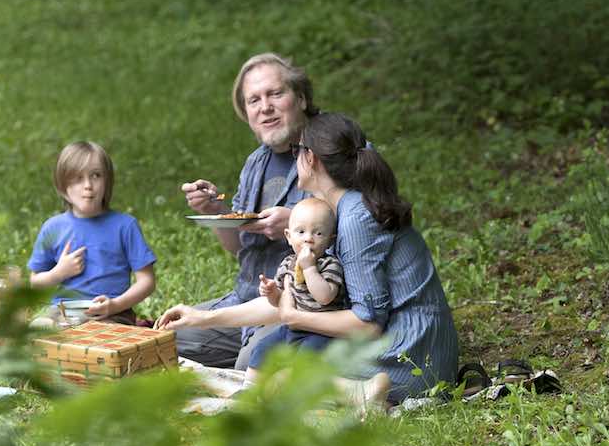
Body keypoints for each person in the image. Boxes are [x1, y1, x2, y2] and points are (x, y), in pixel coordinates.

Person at [156, 112, 459, 407]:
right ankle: (346, 390)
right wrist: (203, 319)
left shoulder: (355, 218)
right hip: (400, 348)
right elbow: (297, 300)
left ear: (310, 158)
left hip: (410, 360)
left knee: (275, 381)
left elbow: (367, 325)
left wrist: (294, 318)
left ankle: (357, 392)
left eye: (297, 151)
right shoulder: (335, 212)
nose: (295, 158)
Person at [176, 52, 314, 368]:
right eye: (254, 100)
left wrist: (294, 223)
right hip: (246, 299)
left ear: (301, 98)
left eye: (275, 94)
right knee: (164, 340)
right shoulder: (255, 162)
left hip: (299, 304)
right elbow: (237, 246)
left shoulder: (329, 149)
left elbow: (353, 229)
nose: (265, 107)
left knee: (250, 366)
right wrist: (215, 209)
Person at [28, 141, 156, 324]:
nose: (88, 185)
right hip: (62, 314)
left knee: (98, 338)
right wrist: (58, 273)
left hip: (112, 314)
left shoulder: (125, 226)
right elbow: (35, 283)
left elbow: (147, 281)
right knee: (37, 328)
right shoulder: (53, 228)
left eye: (96, 175)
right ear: (63, 186)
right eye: (78, 178)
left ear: (107, 181)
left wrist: (115, 305)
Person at [248, 196, 346, 363]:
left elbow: (325, 297)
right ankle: (251, 380)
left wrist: (309, 268)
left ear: (330, 240)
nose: (308, 238)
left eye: (318, 233)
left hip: (322, 333)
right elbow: (280, 301)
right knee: (262, 349)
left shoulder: (329, 264)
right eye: (301, 232)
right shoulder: (288, 263)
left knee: (303, 360)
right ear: (288, 236)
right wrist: (272, 292)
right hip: (292, 329)